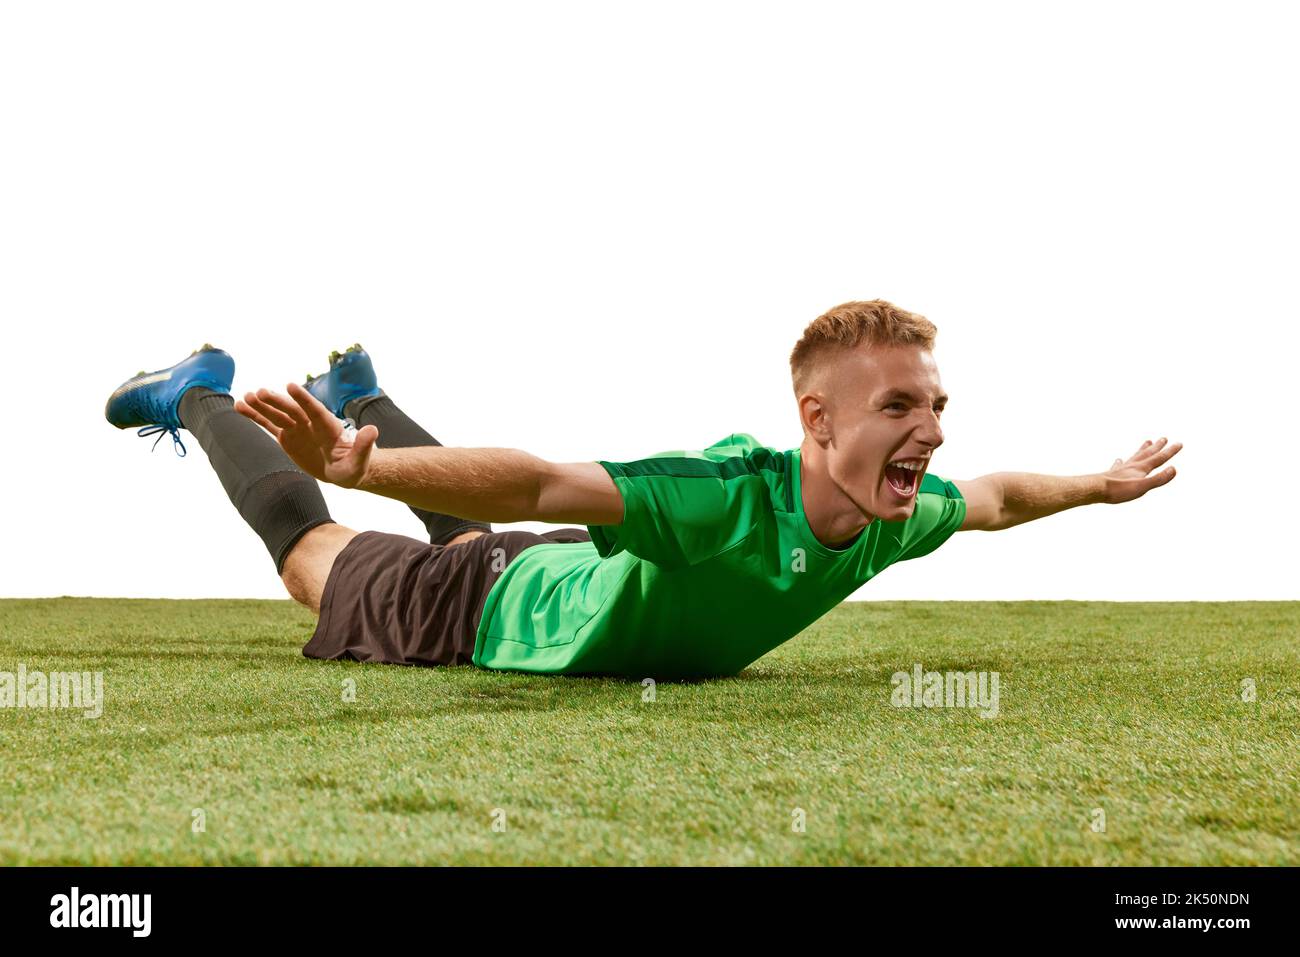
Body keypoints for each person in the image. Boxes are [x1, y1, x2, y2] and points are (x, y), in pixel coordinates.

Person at [104, 300, 1181, 679]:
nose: (933, 432)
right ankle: (197, 398)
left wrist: (1097, 483)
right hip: (487, 604)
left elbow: (992, 497)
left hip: (552, 567)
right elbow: (539, 477)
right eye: (898, 407)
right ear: (816, 422)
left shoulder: (893, 518)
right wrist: (367, 466)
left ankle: (369, 389)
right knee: (314, 562)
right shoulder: (723, 497)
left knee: (490, 534)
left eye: (934, 404)